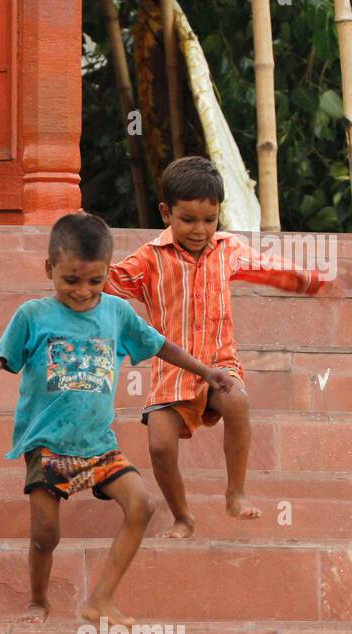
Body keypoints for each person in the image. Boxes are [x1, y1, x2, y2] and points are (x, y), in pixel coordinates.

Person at [0, 212, 236, 626]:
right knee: (46, 534)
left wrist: (205, 371)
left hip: (99, 446)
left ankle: (100, 599)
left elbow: (160, 345)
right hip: (48, 446)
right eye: (71, 281)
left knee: (142, 505)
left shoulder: (116, 313)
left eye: (95, 281)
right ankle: (38, 601)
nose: (83, 292)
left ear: (106, 274)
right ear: (49, 269)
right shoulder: (33, 315)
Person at [107, 156, 335, 538]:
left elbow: (269, 267)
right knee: (160, 447)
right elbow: (108, 281)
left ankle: (236, 492)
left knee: (237, 399)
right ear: (166, 212)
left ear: (218, 215)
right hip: (172, 375)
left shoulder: (227, 249)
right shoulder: (149, 258)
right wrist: (76, 262)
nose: (200, 230)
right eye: (188, 220)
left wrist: (311, 281)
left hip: (220, 365)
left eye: (209, 220)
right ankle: (182, 516)